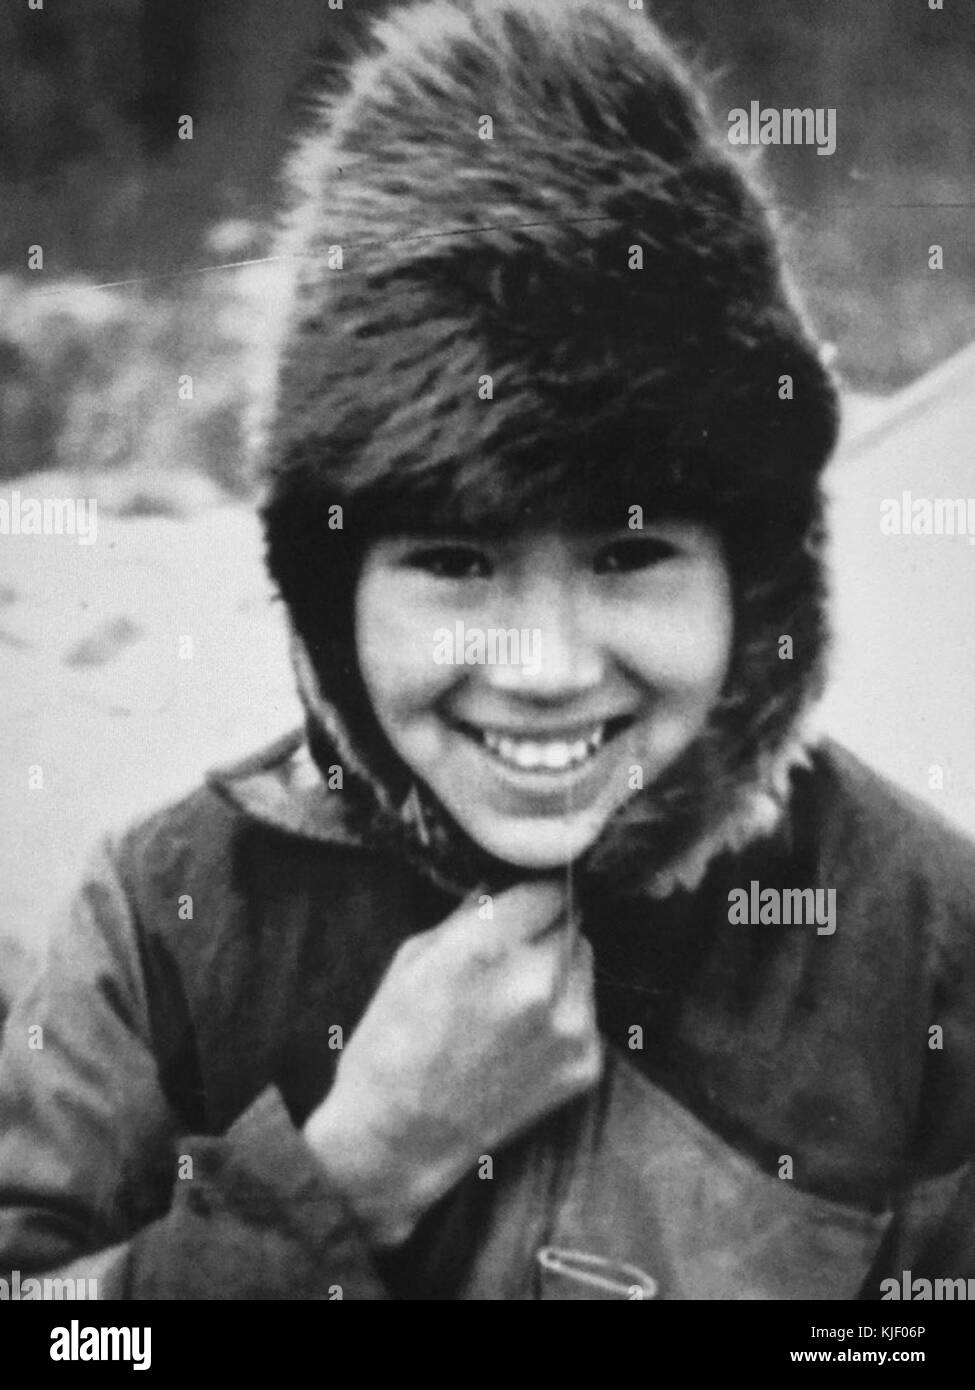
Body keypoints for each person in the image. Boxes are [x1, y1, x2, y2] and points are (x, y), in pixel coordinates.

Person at [1, 0, 974, 1301]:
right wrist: (343, 1176)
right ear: (331, 583)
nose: (543, 664)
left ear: (754, 582)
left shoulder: (922, 937)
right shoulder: (163, 917)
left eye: (628, 555)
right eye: (456, 561)